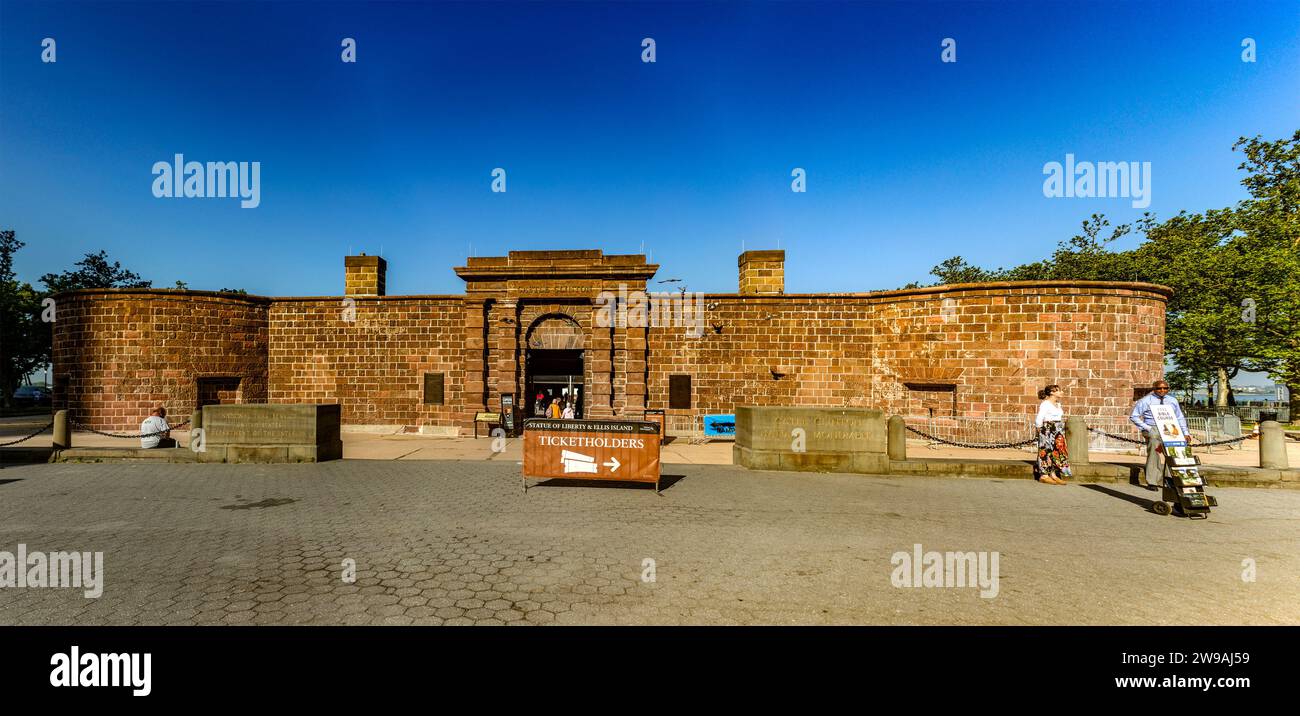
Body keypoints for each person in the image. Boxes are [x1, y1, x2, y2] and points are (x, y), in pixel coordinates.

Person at [1130, 379, 1191, 490]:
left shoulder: (1172, 400)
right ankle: (1152, 481)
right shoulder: (1145, 401)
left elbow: (1179, 417)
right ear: (1154, 389)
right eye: (1159, 388)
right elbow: (1134, 416)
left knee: (1174, 451)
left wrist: (1185, 432)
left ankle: (1172, 479)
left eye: (1165, 388)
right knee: (1155, 449)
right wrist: (1147, 428)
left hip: (1170, 427)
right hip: (1152, 427)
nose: (1162, 390)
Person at [1033, 384, 1071, 485]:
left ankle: (1053, 474)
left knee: (1056, 451)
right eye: (1058, 390)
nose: (1061, 392)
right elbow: (1039, 418)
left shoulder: (1058, 404)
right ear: (1051, 393)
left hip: (1057, 430)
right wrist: (1040, 430)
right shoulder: (1045, 404)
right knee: (1045, 451)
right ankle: (1044, 475)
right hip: (1047, 429)